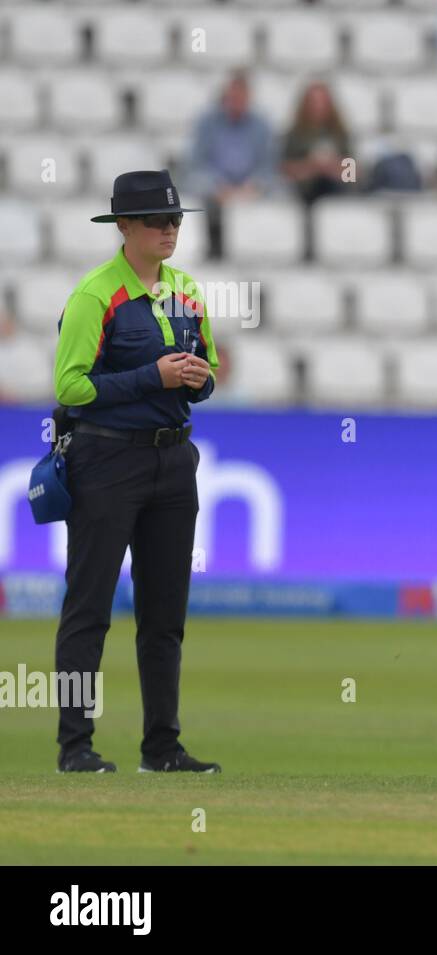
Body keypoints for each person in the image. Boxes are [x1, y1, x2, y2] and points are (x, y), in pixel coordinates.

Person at [52, 170, 220, 774]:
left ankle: (162, 747)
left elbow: (208, 369)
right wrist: (157, 376)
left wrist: (199, 379)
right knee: (89, 606)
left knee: (164, 614)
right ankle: (75, 747)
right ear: (124, 227)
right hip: (107, 459)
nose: (170, 230)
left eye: (175, 220)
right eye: (157, 221)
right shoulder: (97, 294)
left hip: (173, 459)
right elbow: (70, 386)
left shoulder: (186, 291)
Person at [188, 70, 279, 260]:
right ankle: (210, 249)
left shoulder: (261, 126)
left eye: (242, 97)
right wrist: (219, 187)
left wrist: (253, 186)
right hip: (215, 187)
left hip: (250, 187)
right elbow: (196, 162)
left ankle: (260, 249)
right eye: (233, 97)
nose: (237, 101)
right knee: (195, 184)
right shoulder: (206, 123)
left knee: (280, 192)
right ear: (225, 97)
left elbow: (267, 165)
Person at [281, 81, 352, 206]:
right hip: (304, 195)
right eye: (313, 102)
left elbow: (353, 173)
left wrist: (331, 166)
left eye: (322, 101)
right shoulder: (294, 135)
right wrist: (311, 166)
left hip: (337, 194)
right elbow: (284, 170)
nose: (318, 106)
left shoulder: (340, 135)